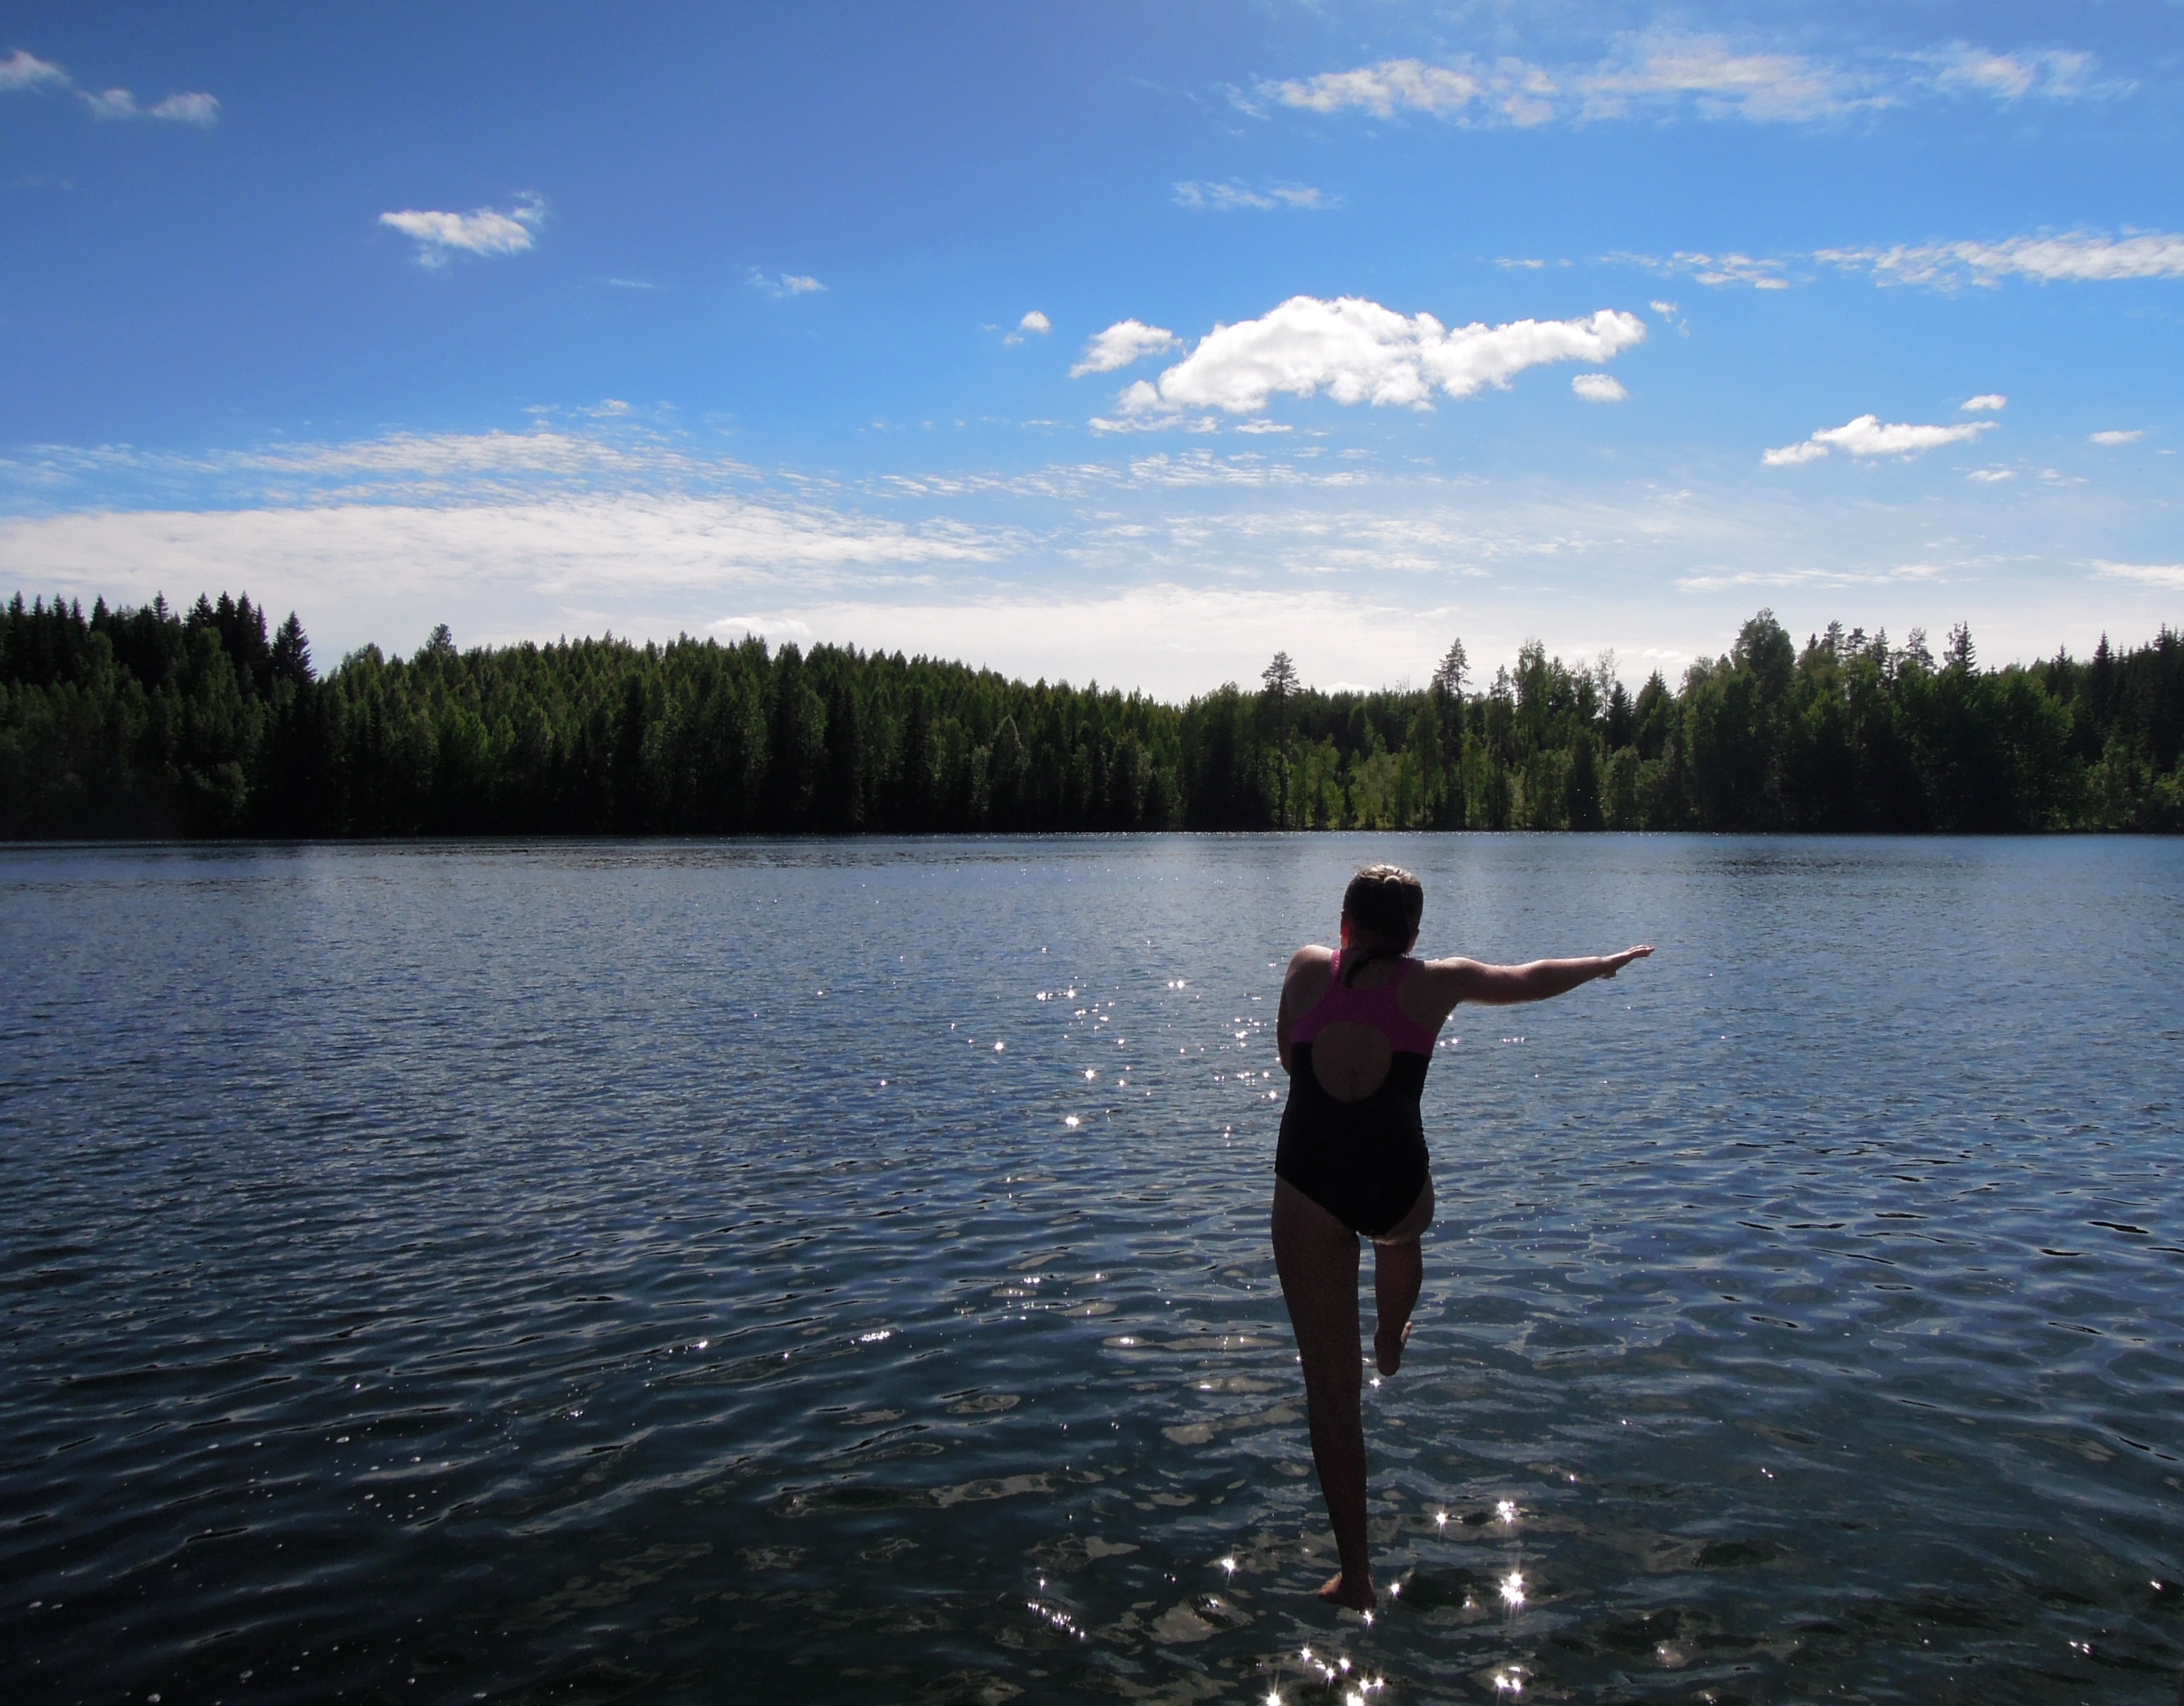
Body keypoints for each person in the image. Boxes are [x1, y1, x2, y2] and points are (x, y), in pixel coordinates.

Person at [1272, 862, 1653, 1611]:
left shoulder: (1307, 969)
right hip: (1393, 1179)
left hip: (1307, 1180)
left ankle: (1356, 1575)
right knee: (1401, 1236)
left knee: (1329, 1393)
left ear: (1344, 925)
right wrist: (1602, 967)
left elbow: (1290, 1057)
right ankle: (1390, 1335)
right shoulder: (1434, 982)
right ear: (1413, 935)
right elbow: (1530, 978)